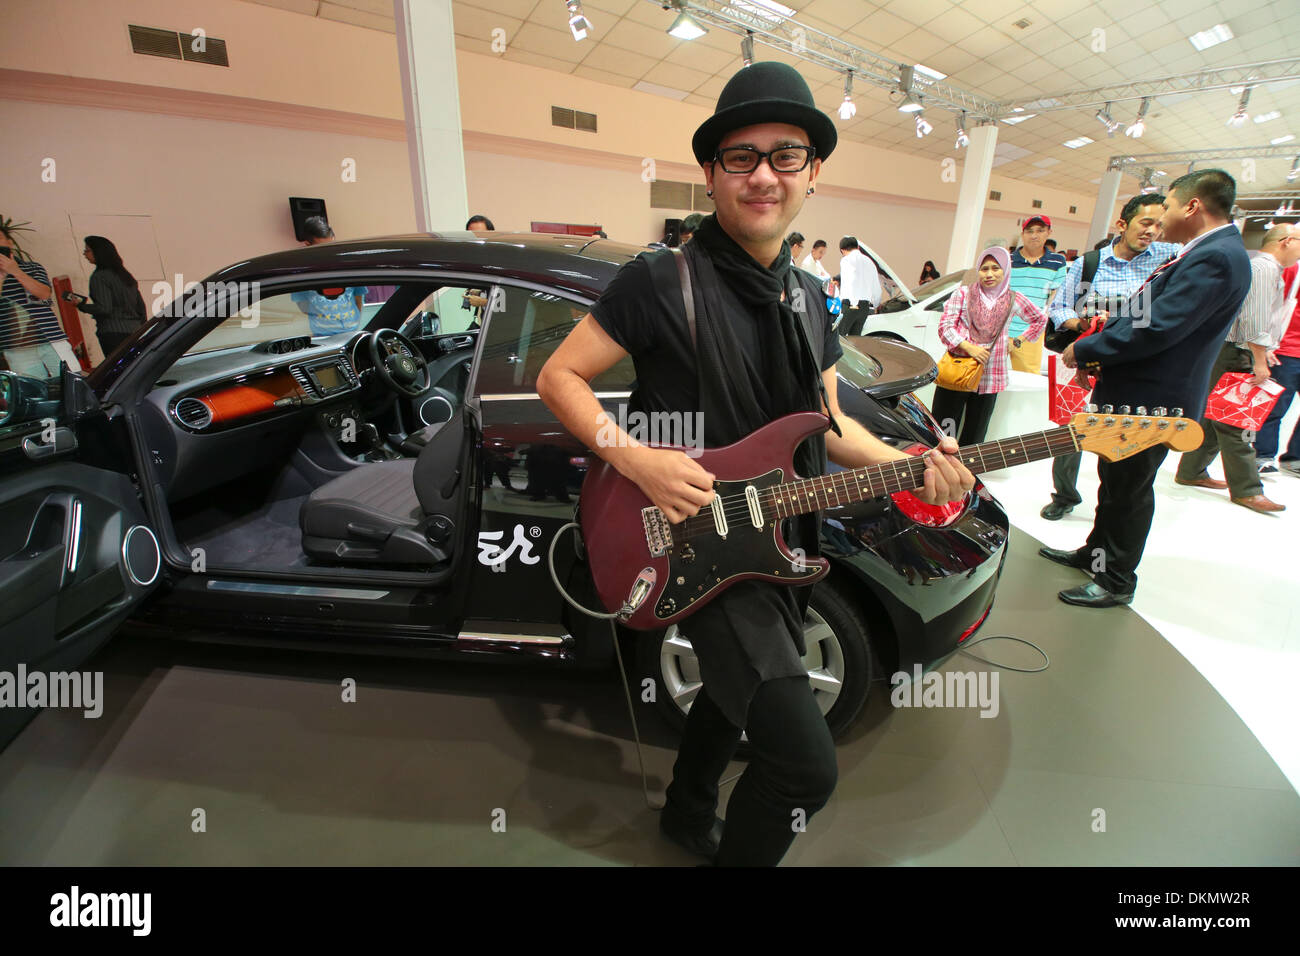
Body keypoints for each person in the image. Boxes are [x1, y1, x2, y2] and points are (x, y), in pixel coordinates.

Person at [535, 61, 973, 866]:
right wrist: (638, 462)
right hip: (694, 538)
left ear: (813, 175)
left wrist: (915, 463)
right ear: (711, 175)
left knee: (731, 701)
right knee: (805, 771)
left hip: (781, 543)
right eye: (741, 157)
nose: (764, 174)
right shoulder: (658, 279)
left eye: (786, 155)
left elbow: (831, 420)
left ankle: (686, 810)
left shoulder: (809, 295)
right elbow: (558, 377)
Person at [1047, 169, 1253, 607]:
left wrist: (1085, 349)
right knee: (1115, 480)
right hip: (1135, 390)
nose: (1161, 223)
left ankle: (1116, 579)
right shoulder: (1205, 252)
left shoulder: (1216, 257)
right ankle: (1096, 556)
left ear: (1192, 206)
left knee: (1130, 487)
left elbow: (1158, 329)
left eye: (1170, 208)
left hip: (1152, 399)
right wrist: (1100, 349)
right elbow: (1143, 316)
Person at [1039, 194, 1181, 520]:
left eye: (1159, 225)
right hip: (1082, 356)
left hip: (1131, 364)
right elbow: (1060, 308)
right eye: (1146, 223)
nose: (1152, 231)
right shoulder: (1089, 263)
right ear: (1122, 224)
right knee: (1069, 430)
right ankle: (1064, 495)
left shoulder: (1166, 260)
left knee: (1122, 433)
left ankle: (1114, 508)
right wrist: (1085, 324)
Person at [1173, 222, 1300, 513]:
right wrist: (1258, 357)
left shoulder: (1261, 267)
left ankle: (1191, 470)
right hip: (1237, 352)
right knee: (1236, 423)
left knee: (1216, 415)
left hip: (1230, 350)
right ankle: (1248, 490)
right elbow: (1254, 321)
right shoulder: (1265, 269)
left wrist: (1263, 351)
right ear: (1287, 241)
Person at [931, 247, 1047, 445]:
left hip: (990, 375)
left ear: (1005, 270)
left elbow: (1039, 319)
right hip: (959, 371)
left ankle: (968, 472)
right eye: (984, 269)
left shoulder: (1013, 299)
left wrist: (1018, 341)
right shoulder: (963, 294)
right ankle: (942, 468)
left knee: (976, 432)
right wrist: (969, 346)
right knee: (945, 426)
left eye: (996, 268)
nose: (990, 274)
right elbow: (945, 327)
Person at [0, 233, 78, 378]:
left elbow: (44, 294)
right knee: (34, 391)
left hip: (51, 337)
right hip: (17, 346)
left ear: (10, 243)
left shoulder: (33, 267)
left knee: (72, 381)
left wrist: (15, 271)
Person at [65, 235, 147, 359]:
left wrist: (81, 306)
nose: (84, 254)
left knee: (119, 371)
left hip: (113, 333)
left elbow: (104, 308)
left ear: (98, 253)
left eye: (87, 250)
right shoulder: (124, 275)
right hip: (135, 330)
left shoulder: (99, 277)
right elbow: (141, 306)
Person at [1007, 215, 1067, 374]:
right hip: (999, 331)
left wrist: (1044, 318)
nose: (1034, 235)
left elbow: (1056, 295)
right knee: (988, 379)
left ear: (1049, 232)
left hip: (1031, 333)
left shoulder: (1057, 262)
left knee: (1026, 379)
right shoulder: (1008, 260)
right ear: (1022, 234)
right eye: (1029, 231)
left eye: (1040, 230)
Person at [1256, 262, 1300, 475]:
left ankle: (1295, 458)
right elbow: (1274, 304)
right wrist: (1268, 343)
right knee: (1275, 406)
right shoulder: (1294, 268)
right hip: (1288, 348)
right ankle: (1263, 455)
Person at [836, 236, 881, 333]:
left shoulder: (846, 260)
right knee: (855, 340)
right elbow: (876, 287)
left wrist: (849, 303)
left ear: (842, 250)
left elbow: (848, 282)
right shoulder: (870, 262)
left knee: (839, 338)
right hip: (865, 307)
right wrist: (876, 305)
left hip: (851, 304)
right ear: (858, 247)